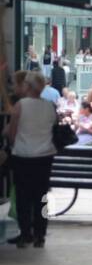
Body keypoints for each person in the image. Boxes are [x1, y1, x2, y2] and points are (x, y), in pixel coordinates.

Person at [4, 71, 56, 248]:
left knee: (23, 197)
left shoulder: (21, 105)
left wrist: (14, 143)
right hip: (45, 157)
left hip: (24, 156)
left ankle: (25, 233)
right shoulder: (49, 106)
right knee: (41, 196)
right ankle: (40, 234)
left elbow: (12, 133)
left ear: (28, 86)